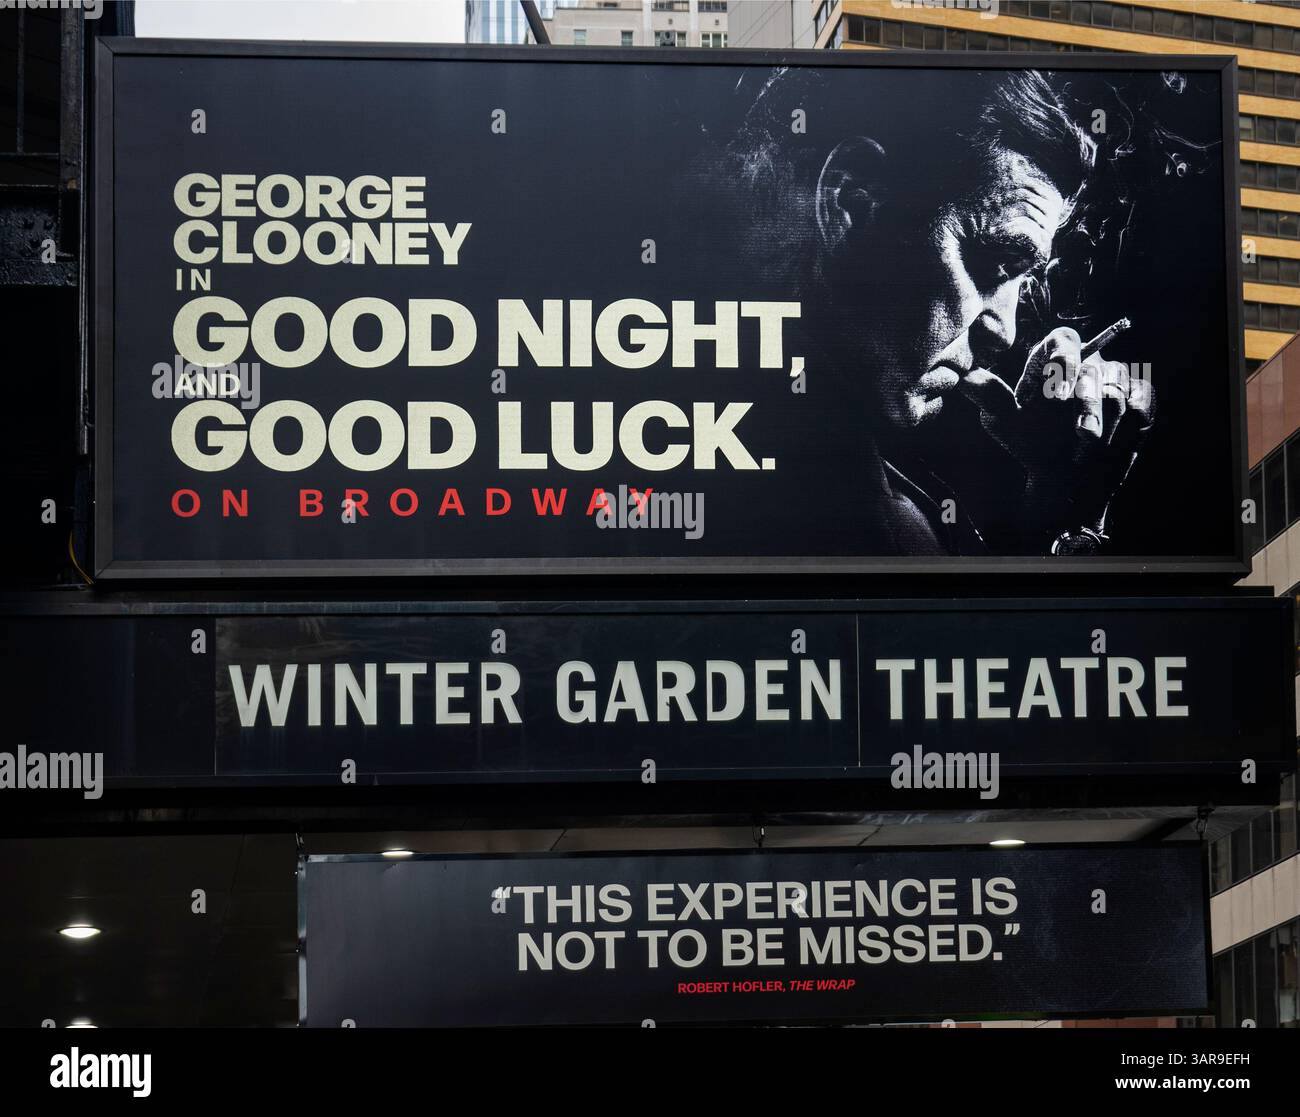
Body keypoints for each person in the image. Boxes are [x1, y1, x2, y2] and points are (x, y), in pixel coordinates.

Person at [761, 70, 1156, 555]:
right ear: (853, 200)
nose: (1003, 332)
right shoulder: (841, 503)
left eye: (1022, 282)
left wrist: (1057, 501)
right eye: (993, 262)